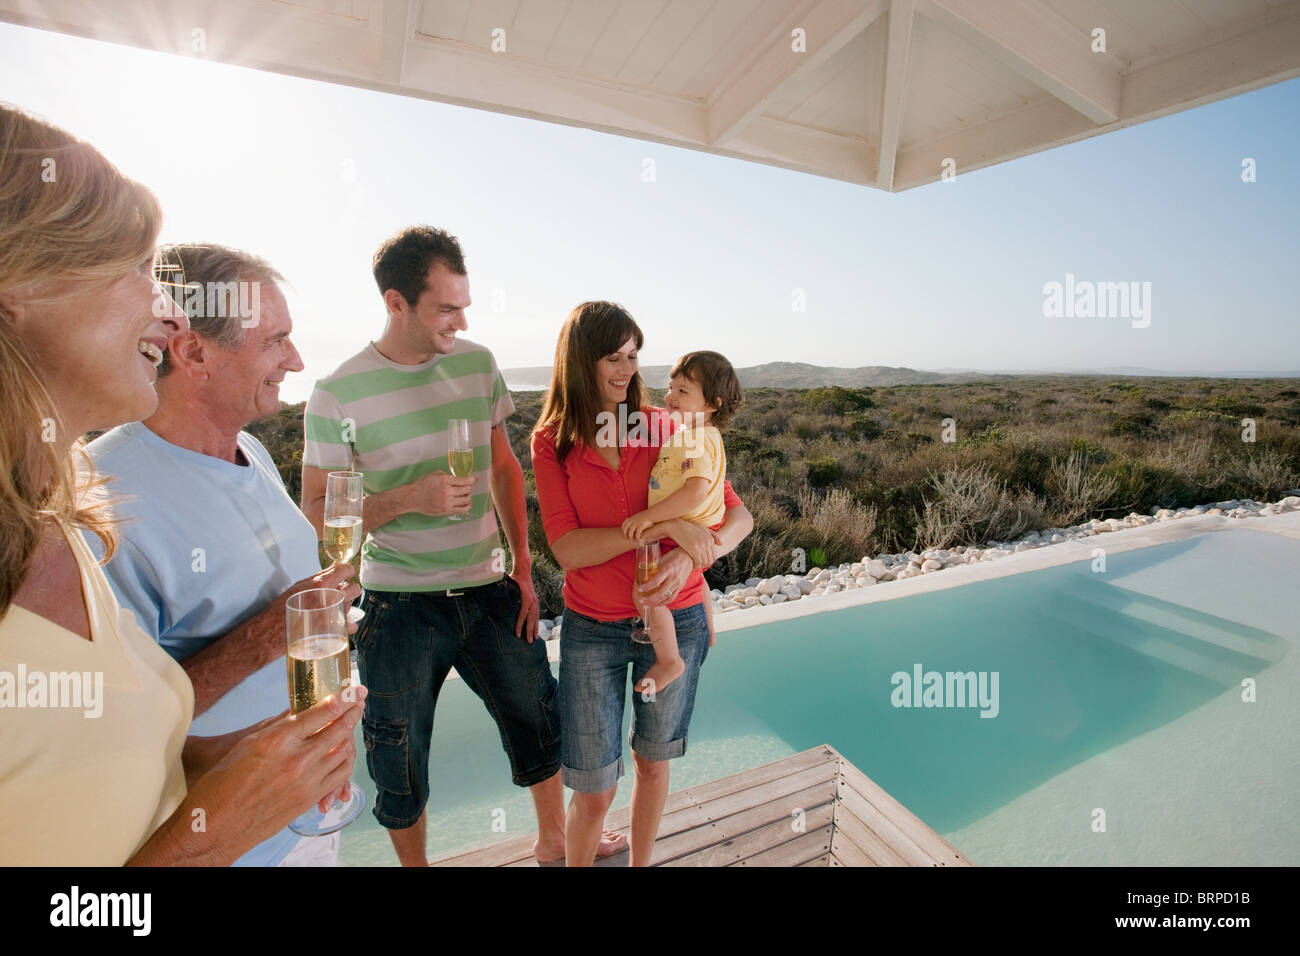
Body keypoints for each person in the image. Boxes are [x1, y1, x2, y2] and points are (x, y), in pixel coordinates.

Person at [0, 105, 364, 865]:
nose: (163, 312)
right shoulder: (110, 495)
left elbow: (121, 741)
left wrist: (275, 763)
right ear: (18, 291)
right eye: (135, 268)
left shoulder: (63, 520)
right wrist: (226, 828)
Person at [301, 226, 624, 865]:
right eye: (446, 308)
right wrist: (406, 500)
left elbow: (504, 469)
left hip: (489, 589)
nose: (462, 319)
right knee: (399, 753)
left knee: (540, 721)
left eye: (464, 303)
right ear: (397, 304)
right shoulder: (336, 393)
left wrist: (524, 572)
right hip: (397, 605)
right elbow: (316, 513)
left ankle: (554, 842)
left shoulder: (477, 363)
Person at [86, 242, 363, 867]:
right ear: (193, 353)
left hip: (308, 808)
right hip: (227, 845)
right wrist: (268, 634)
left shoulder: (252, 452)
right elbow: (111, 722)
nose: (295, 360)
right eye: (276, 341)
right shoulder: (100, 501)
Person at [530, 302, 754, 867]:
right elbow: (568, 549)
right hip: (593, 632)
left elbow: (737, 518)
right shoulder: (552, 442)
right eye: (613, 357)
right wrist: (665, 526)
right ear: (580, 362)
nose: (628, 369)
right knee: (595, 785)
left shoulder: (666, 425)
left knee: (654, 763)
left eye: (634, 355)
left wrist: (691, 563)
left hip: (676, 620)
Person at [619, 351, 744, 695]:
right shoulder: (699, 433)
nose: (671, 397)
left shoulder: (696, 438)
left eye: (684, 391)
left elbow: (694, 493)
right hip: (698, 528)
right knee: (697, 578)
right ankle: (709, 629)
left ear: (713, 404)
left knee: (644, 591)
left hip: (686, 526)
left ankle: (669, 658)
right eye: (671, 387)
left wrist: (649, 517)